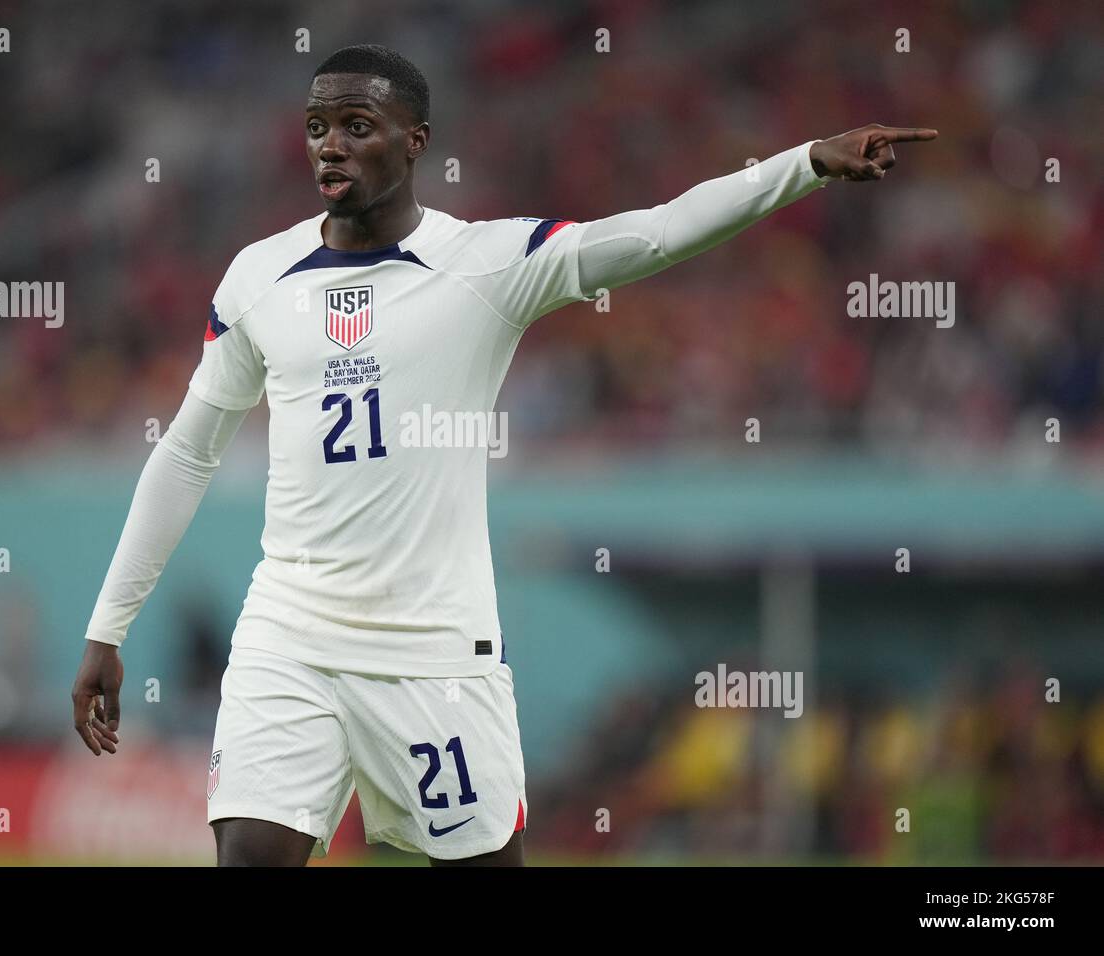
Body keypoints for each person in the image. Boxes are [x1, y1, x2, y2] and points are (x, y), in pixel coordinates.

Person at [71, 43, 937, 866]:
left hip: (437, 646)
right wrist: (108, 626)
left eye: (356, 126)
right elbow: (187, 452)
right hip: (289, 634)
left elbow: (661, 231)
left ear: (415, 143)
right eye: (316, 127)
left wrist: (805, 163)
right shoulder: (258, 276)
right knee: (251, 855)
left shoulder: (488, 264)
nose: (329, 145)